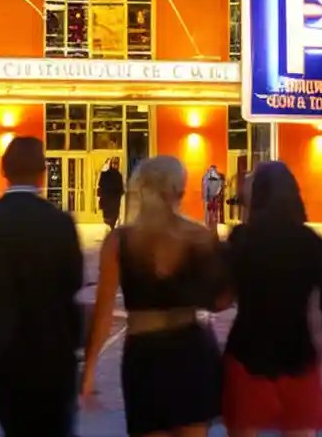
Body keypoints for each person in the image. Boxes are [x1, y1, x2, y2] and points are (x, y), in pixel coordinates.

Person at [81, 155, 226, 437]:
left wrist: (90, 369)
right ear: (180, 190)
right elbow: (220, 300)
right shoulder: (199, 236)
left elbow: (104, 310)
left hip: (145, 353)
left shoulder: (120, 241)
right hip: (193, 349)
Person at [0, 137, 84, 436]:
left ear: (4, 170)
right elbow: (72, 283)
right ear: (42, 171)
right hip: (53, 355)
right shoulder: (59, 222)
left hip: (1, 355)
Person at [221, 161, 322, 437]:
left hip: (247, 354)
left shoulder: (242, 240)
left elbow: (221, 298)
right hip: (298, 357)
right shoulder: (311, 242)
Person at [97, 157, 126, 230]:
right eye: (114, 163)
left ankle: (111, 226)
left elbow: (101, 185)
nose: (115, 165)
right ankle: (111, 226)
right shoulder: (107, 175)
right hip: (110, 200)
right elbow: (101, 185)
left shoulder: (117, 175)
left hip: (112, 200)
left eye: (116, 163)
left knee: (111, 215)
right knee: (110, 215)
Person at [201, 166, 225, 230]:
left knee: (213, 213)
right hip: (210, 198)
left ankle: (212, 226)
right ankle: (209, 226)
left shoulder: (216, 177)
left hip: (212, 198)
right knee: (209, 213)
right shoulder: (207, 177)